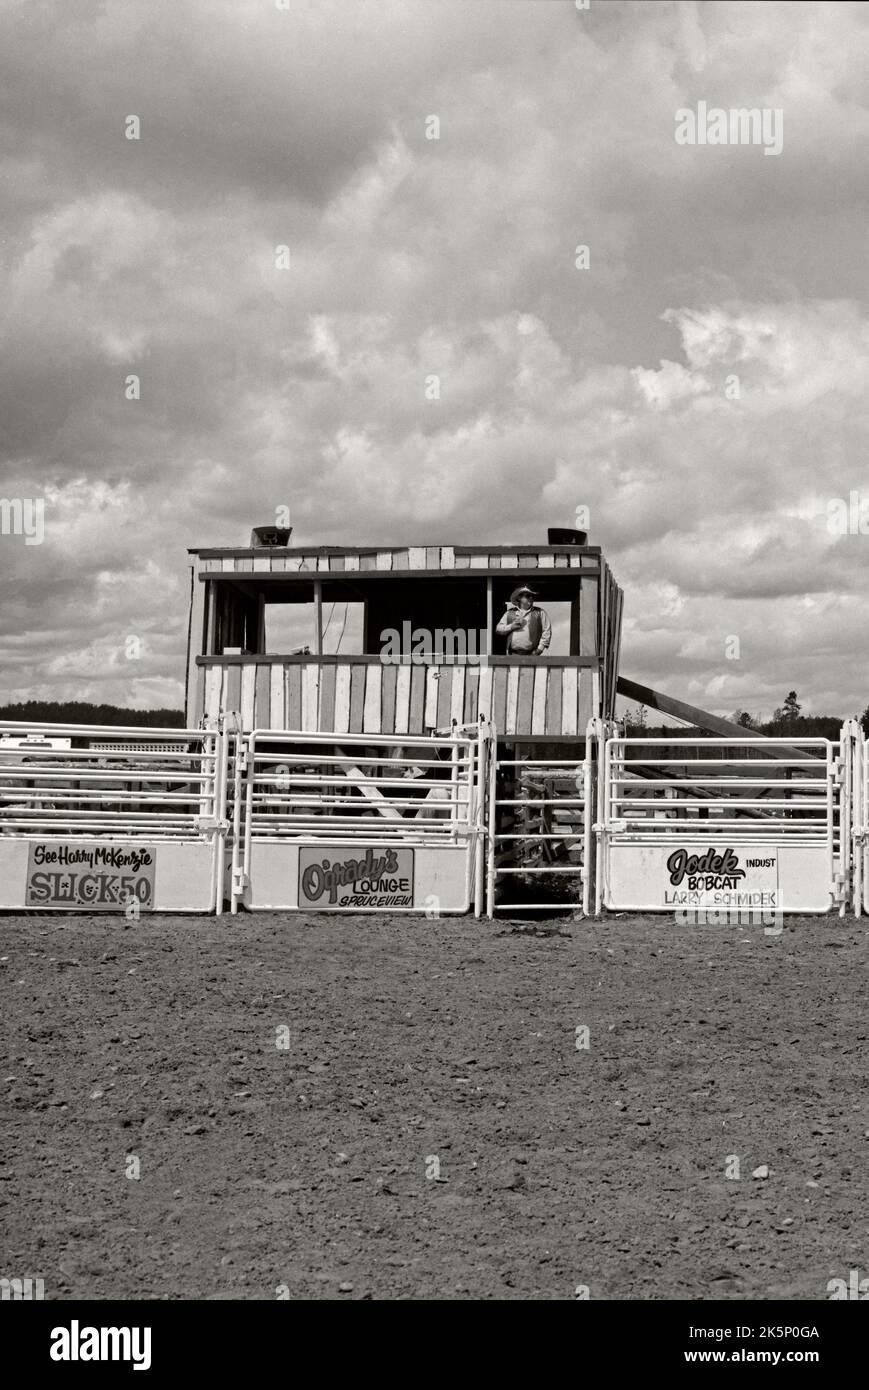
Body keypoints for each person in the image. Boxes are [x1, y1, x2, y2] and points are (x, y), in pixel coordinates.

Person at [496, 586, 551, 655]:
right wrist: (511, 627)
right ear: (519, 598)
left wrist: (539, 649)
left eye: (532, 596)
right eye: (528, 596)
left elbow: (547, 631)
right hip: (513, 655)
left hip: (532, 655)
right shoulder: (509, 612)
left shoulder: (540, 612)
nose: (531, 598)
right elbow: (498, 629)